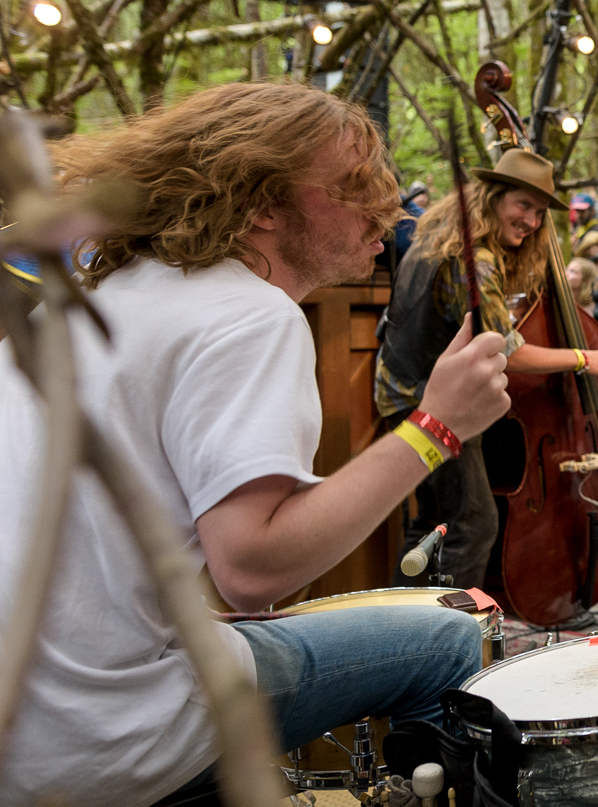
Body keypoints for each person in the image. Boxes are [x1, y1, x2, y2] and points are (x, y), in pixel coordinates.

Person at [0, 83, 504, 807]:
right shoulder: (248, 314)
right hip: (95, 736)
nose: (389, 210)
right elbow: (255, 570)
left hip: (22, 722)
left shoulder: (98, 293)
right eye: (356, 186)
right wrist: (438, 427)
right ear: (262, 204)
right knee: (452, 641)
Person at [376, 147, 598, 589]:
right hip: (429, 402)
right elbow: (505, 349)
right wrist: (582, 356)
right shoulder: (473, 258)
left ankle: (400, 629)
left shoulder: (443, 238)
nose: (531, 221)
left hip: (404, 392)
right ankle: (447, 640)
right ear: (491, 198)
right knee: (473, 523)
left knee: (435, 521)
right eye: (523, 205)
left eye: (540, 212)